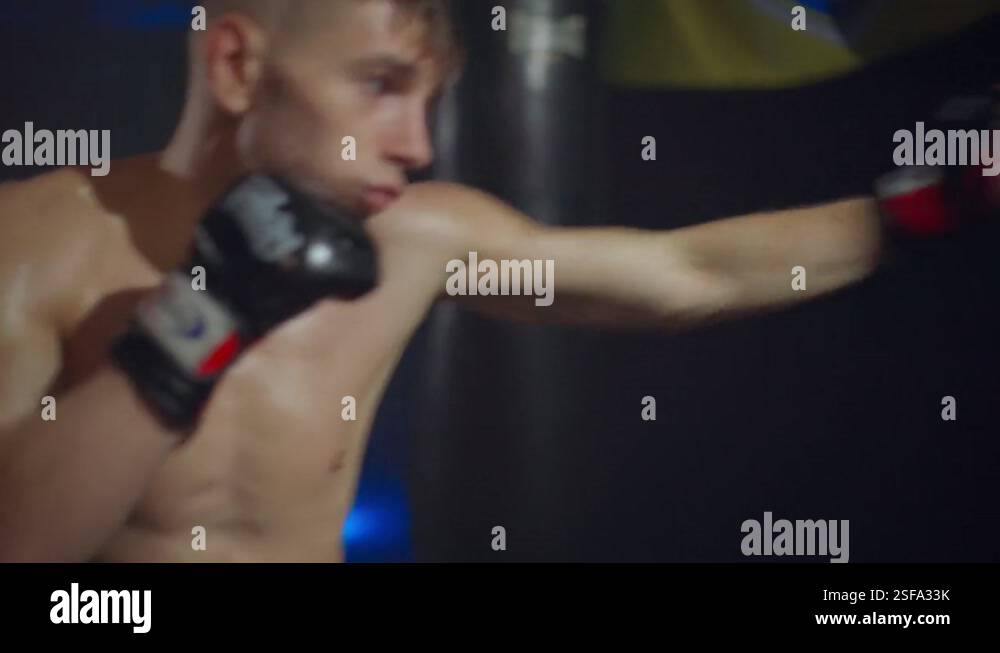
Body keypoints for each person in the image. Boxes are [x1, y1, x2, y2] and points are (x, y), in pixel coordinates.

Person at [0, 0, 983, 562]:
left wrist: (918, 210)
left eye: (431, 100)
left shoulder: (415, 235)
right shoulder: (38, 246)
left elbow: (680, 274)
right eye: (380, 86)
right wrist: (188, 332)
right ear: (235, 63)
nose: (416, 145)